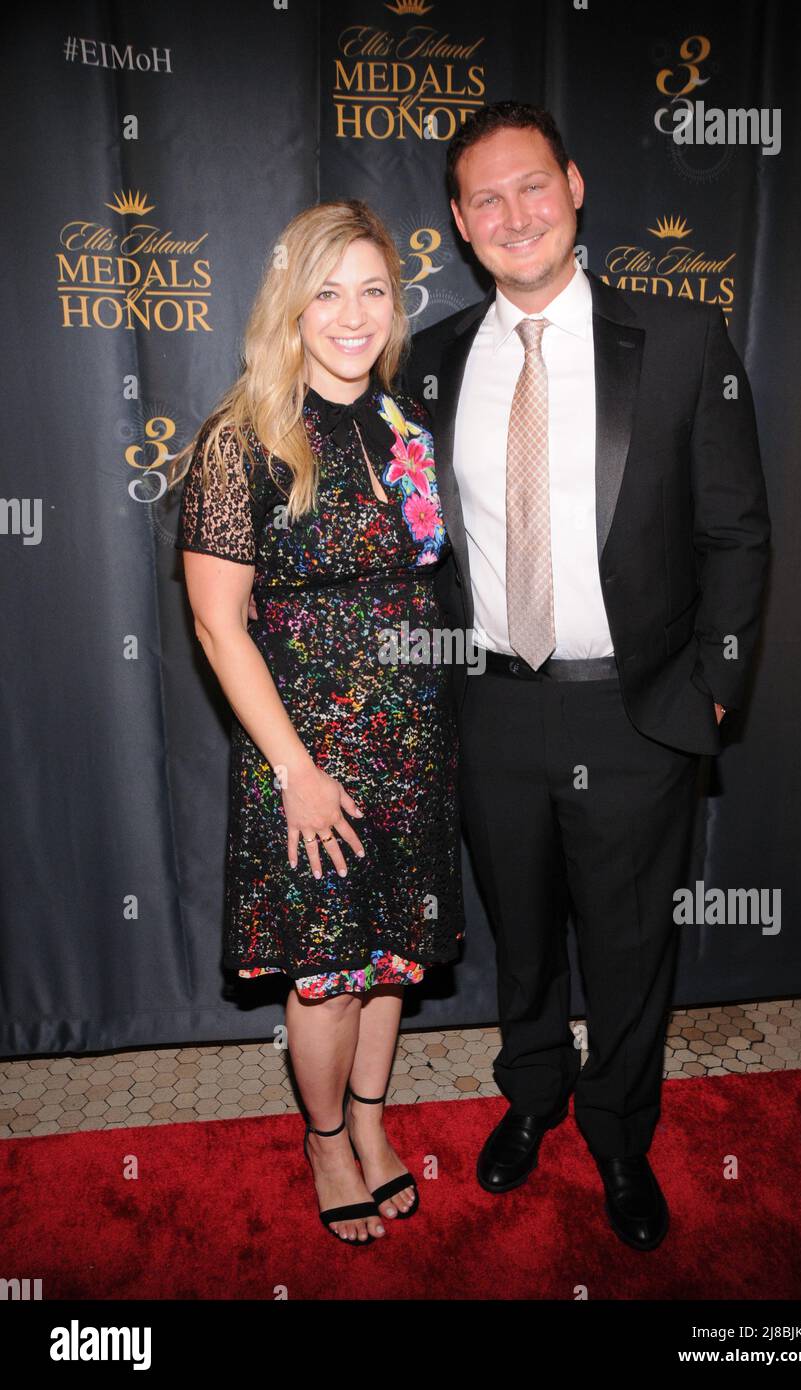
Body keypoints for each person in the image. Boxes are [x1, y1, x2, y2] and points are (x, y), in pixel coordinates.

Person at [402, 101, 770, 1251]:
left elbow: (737, 533)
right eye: (484, 199)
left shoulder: (677, 340)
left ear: (571, 185)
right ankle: (532, 1096)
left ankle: (616, 1133)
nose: (513, 213)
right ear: (461, 225)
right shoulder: (429, 363)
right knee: (518, 930)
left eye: (530, 185)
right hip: (490, 704)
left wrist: (710, 686)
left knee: (624, 944)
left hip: (633, 706)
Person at [170, 199, 465, 1245]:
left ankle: (375, 1124)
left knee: (394, 959)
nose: (350, 315)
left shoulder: (402, 430)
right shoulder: (241, 438)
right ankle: (326, 1136)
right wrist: (293, 767)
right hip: (308, 750)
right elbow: (217, 625)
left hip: (410, 740)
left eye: (372, 290)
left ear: (396, 305)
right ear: (289, 310)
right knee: (330, 970)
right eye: (326, 293)